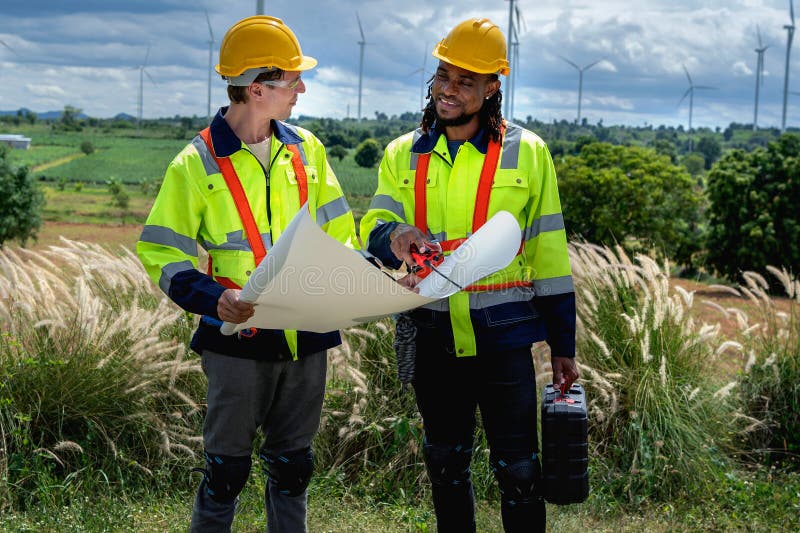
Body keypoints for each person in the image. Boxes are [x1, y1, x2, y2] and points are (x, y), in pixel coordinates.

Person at [136, 15, 357, 533]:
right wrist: (214, 299)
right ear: (256, 89)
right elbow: (159, 252)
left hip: (307, 334)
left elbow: (340, 233)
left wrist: (361, 277)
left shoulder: (308, 150)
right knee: (226, 472)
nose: (301, 90)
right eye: (291, 81)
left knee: (294, 467)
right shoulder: (194, 164)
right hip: (235, 338)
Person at [360, 18, 578, 533]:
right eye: (442, 76)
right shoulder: (402, 153)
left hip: (503, 338)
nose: (448, 90)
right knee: (445, 465)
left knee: (520, 471)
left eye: (464, 81)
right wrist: (395, 236)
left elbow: (549, 254)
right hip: (433, 334)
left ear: (492, 86)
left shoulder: (528, 152)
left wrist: (563, 345)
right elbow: (372, 225)